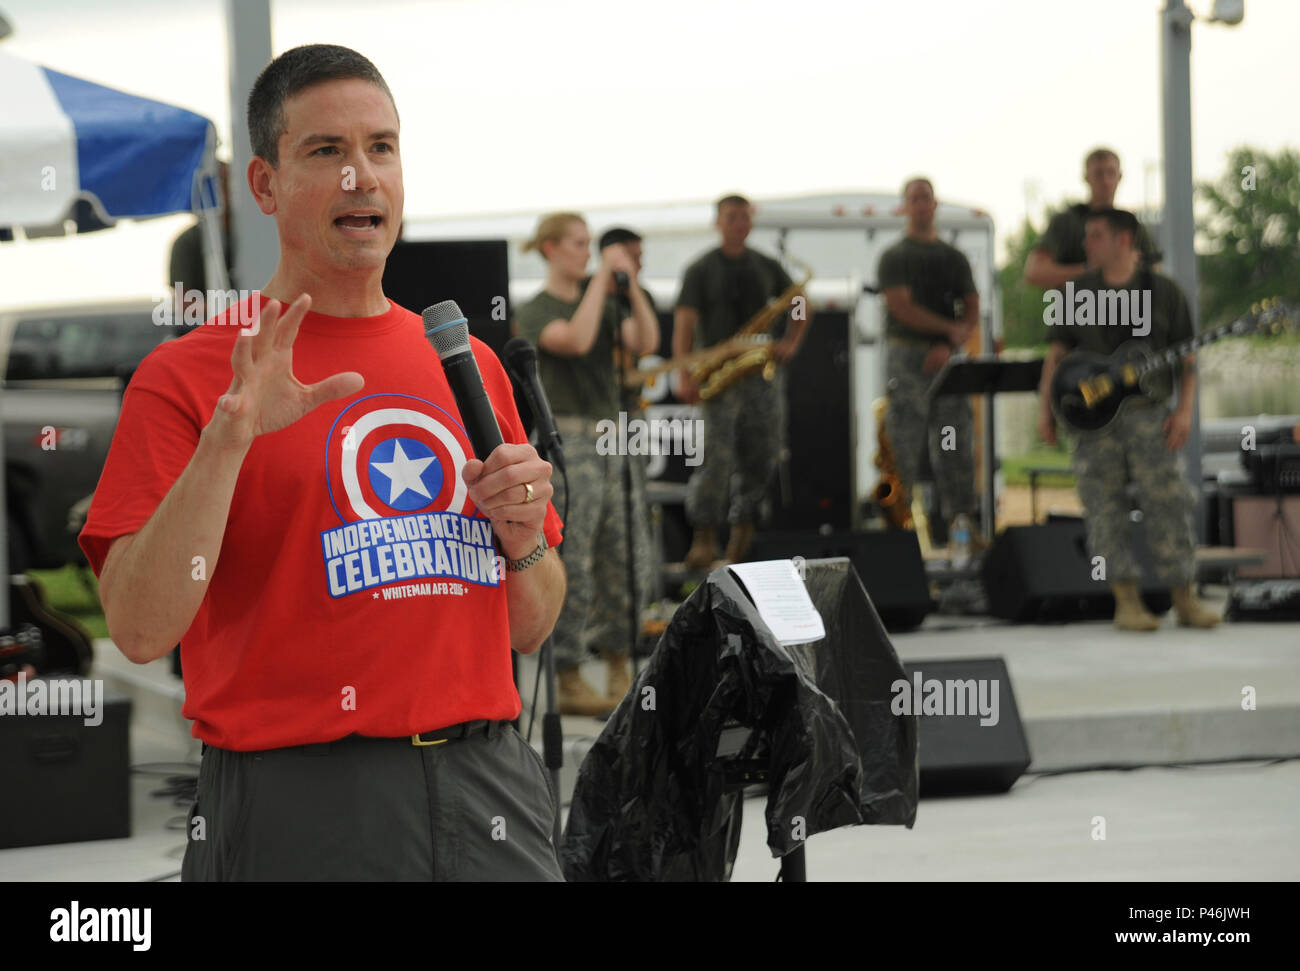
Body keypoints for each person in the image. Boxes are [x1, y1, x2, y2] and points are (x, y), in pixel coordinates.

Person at [78, 44, 568, 880]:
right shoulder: (191, 377)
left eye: (381, 147)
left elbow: (531, 620)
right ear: (264, 186)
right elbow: (137, 625)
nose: (362, 177)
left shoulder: (468, 363)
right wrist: (226, 443)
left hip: (490, 790)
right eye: (327, 152)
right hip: (302, 803)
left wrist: (523, 537)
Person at [1036, 208, 1220, 631]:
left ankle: (1184, 597)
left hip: (1148, 415)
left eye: (1095, 236)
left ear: (1123, 240)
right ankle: (1126, 601)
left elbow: (1188, 359)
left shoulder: (1164, 291)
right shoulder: (1077, 291)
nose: (1086, 244)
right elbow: (1056, 356)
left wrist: (1185, 410)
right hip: (1090, 419)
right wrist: (1045, 411)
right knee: (1103, 507)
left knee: (1168, 500)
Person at [513, 215, 658, 717]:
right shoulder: (537, 310)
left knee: (626, 553)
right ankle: (569, 672)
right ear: (551, 249)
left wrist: (630, 287)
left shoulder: (604, 302)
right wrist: (600, 282)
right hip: (568, 443)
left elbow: (645, 341)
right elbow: (574, 340)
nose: (586, 253)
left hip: (613, 439)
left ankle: (620, 660)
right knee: (572, 555)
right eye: (577, 245)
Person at [675, 194, 809, 568]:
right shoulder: (700, 268)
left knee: (762, 454)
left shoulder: (767, 265)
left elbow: (798, 302)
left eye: (744, 217)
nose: (739, 223)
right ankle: (704, 537)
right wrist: (684, 372)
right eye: (732, 217)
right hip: (718, 373)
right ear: (717, 221)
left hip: (760, 376)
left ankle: (743, 535)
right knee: (715, 458)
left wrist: (791, 341)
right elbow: (685, 323)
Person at [877, 177, 980, 546]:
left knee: (954, 444)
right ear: (904, 207)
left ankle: (961, 528)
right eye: (914, 199)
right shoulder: (896, 257)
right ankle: (898, 533)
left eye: (927, 198)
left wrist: (952, 342)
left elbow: (972, 306)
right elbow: (900, 305)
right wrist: (948, 331)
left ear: (935, 206)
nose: (921, 205)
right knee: (902, 444)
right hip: (908, 361)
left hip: (947, 363)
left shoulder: (954, 258)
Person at [1024, 147, 1161, 291]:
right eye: (1098, 174)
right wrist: (1091, 270)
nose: (1105, 181)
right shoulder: (1066, 223)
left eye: (1110, 173)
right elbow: (1034, 272)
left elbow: (1155, 274)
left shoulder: (1132, 225)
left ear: (1119, 177)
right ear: (1086, 177)